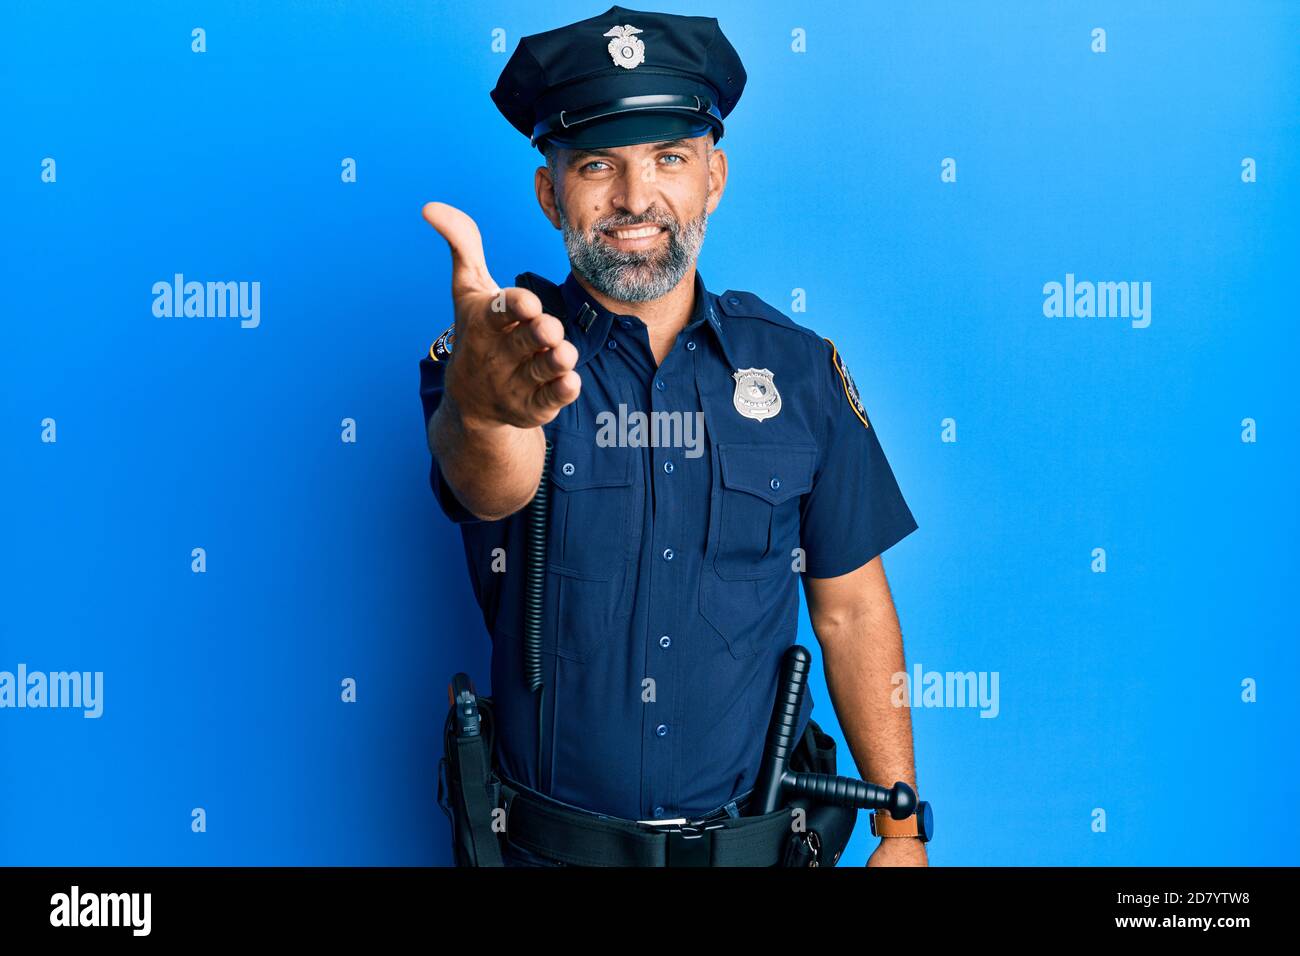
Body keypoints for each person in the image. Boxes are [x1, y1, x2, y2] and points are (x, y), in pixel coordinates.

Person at [420, 5, 927, 866]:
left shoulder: (799, 372)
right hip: (551, 854)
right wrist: (489, 407)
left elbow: (848, 607)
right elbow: (490, 484)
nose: (634, 198)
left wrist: (902, 829)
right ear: (550, 195)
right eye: (596, 165)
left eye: (668, 159)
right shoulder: (497, 353)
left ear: (713, 179)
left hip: (754, 849)